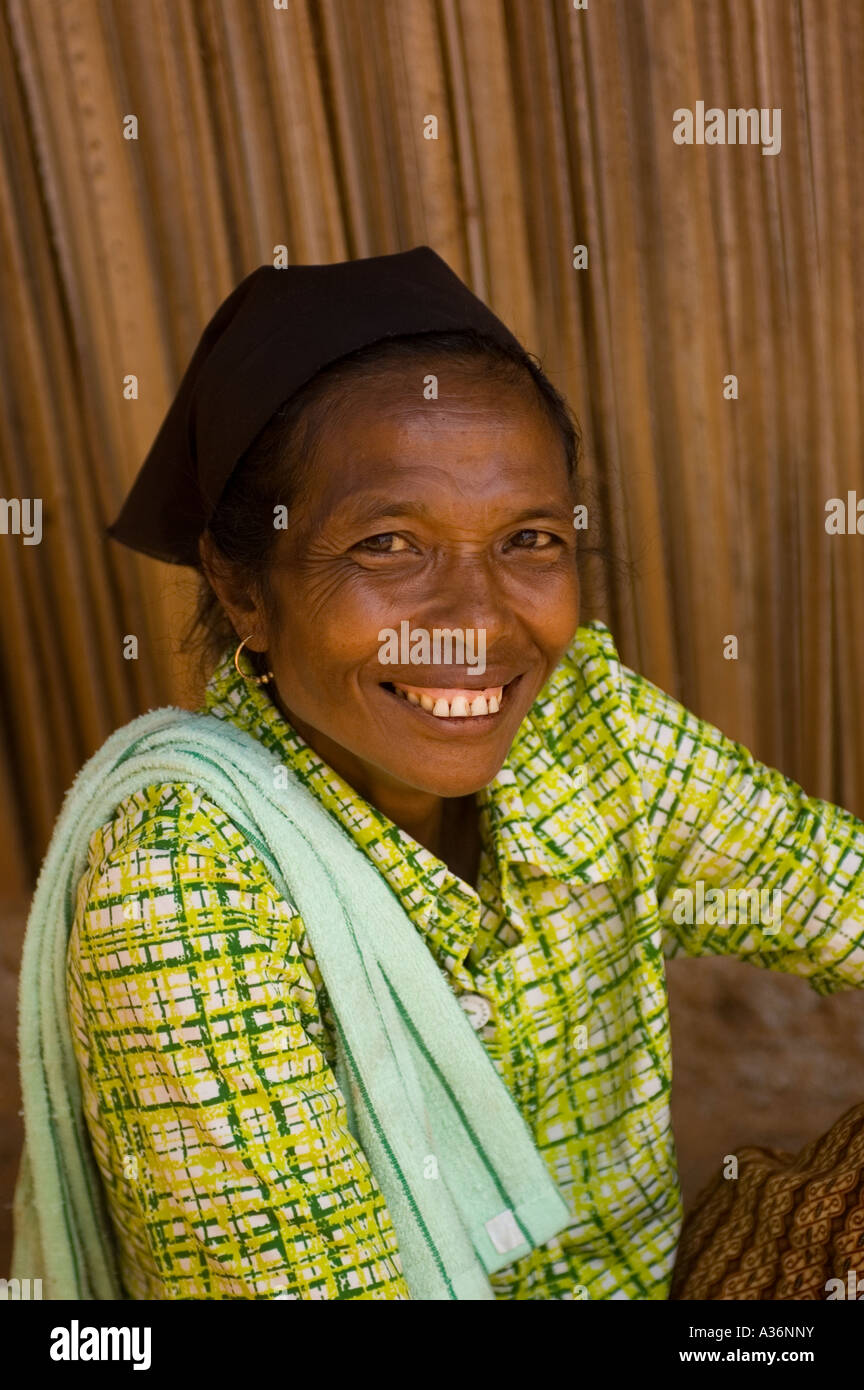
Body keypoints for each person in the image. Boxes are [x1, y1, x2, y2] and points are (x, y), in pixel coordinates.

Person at [26, 248, 864, 1300]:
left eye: (527, 539)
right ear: (243, 588)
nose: (476, 619)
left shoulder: (587, 731)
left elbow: (840, 891)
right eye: (388, 543)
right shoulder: (183, 888)